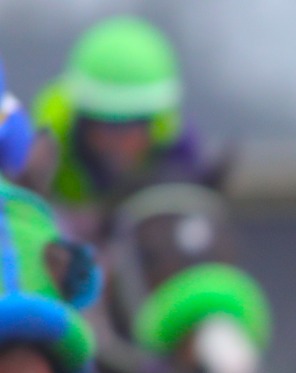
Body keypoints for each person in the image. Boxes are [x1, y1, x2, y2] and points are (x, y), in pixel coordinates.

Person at [26, 16, 211, 239]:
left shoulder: (178, 151)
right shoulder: (43, 145)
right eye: (108, 123)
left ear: (154, 124)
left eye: (132, 126)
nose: (118, 142)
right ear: (81, 120)